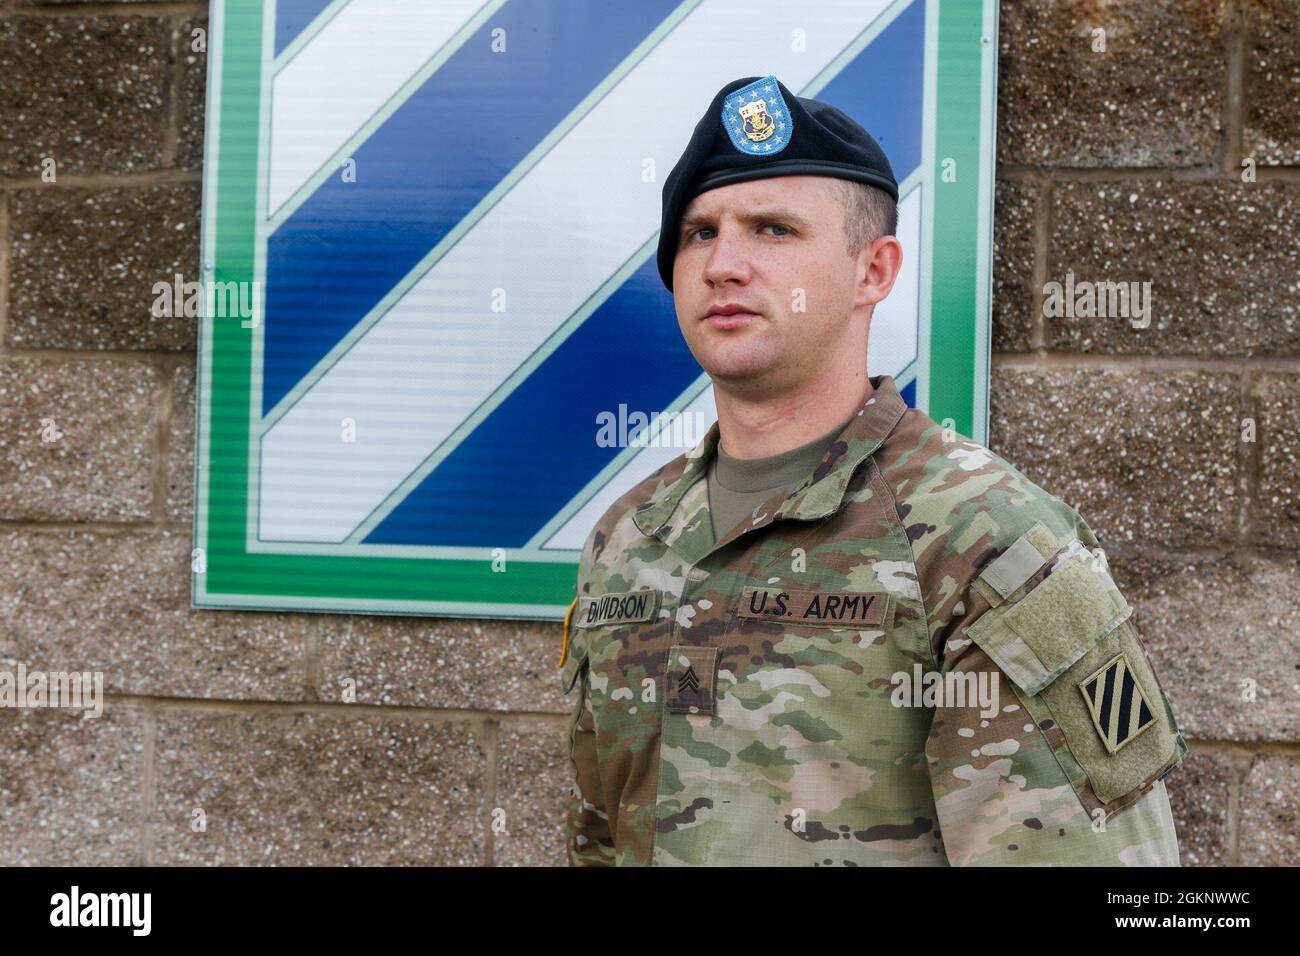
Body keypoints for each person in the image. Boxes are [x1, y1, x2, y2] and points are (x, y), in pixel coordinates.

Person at [556, 75, 1186, 866]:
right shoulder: (628, 538)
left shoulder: (987, 540)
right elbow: (598, 841)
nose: (724, 263)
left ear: (874, 271)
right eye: (699, 233)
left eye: (773, 229)